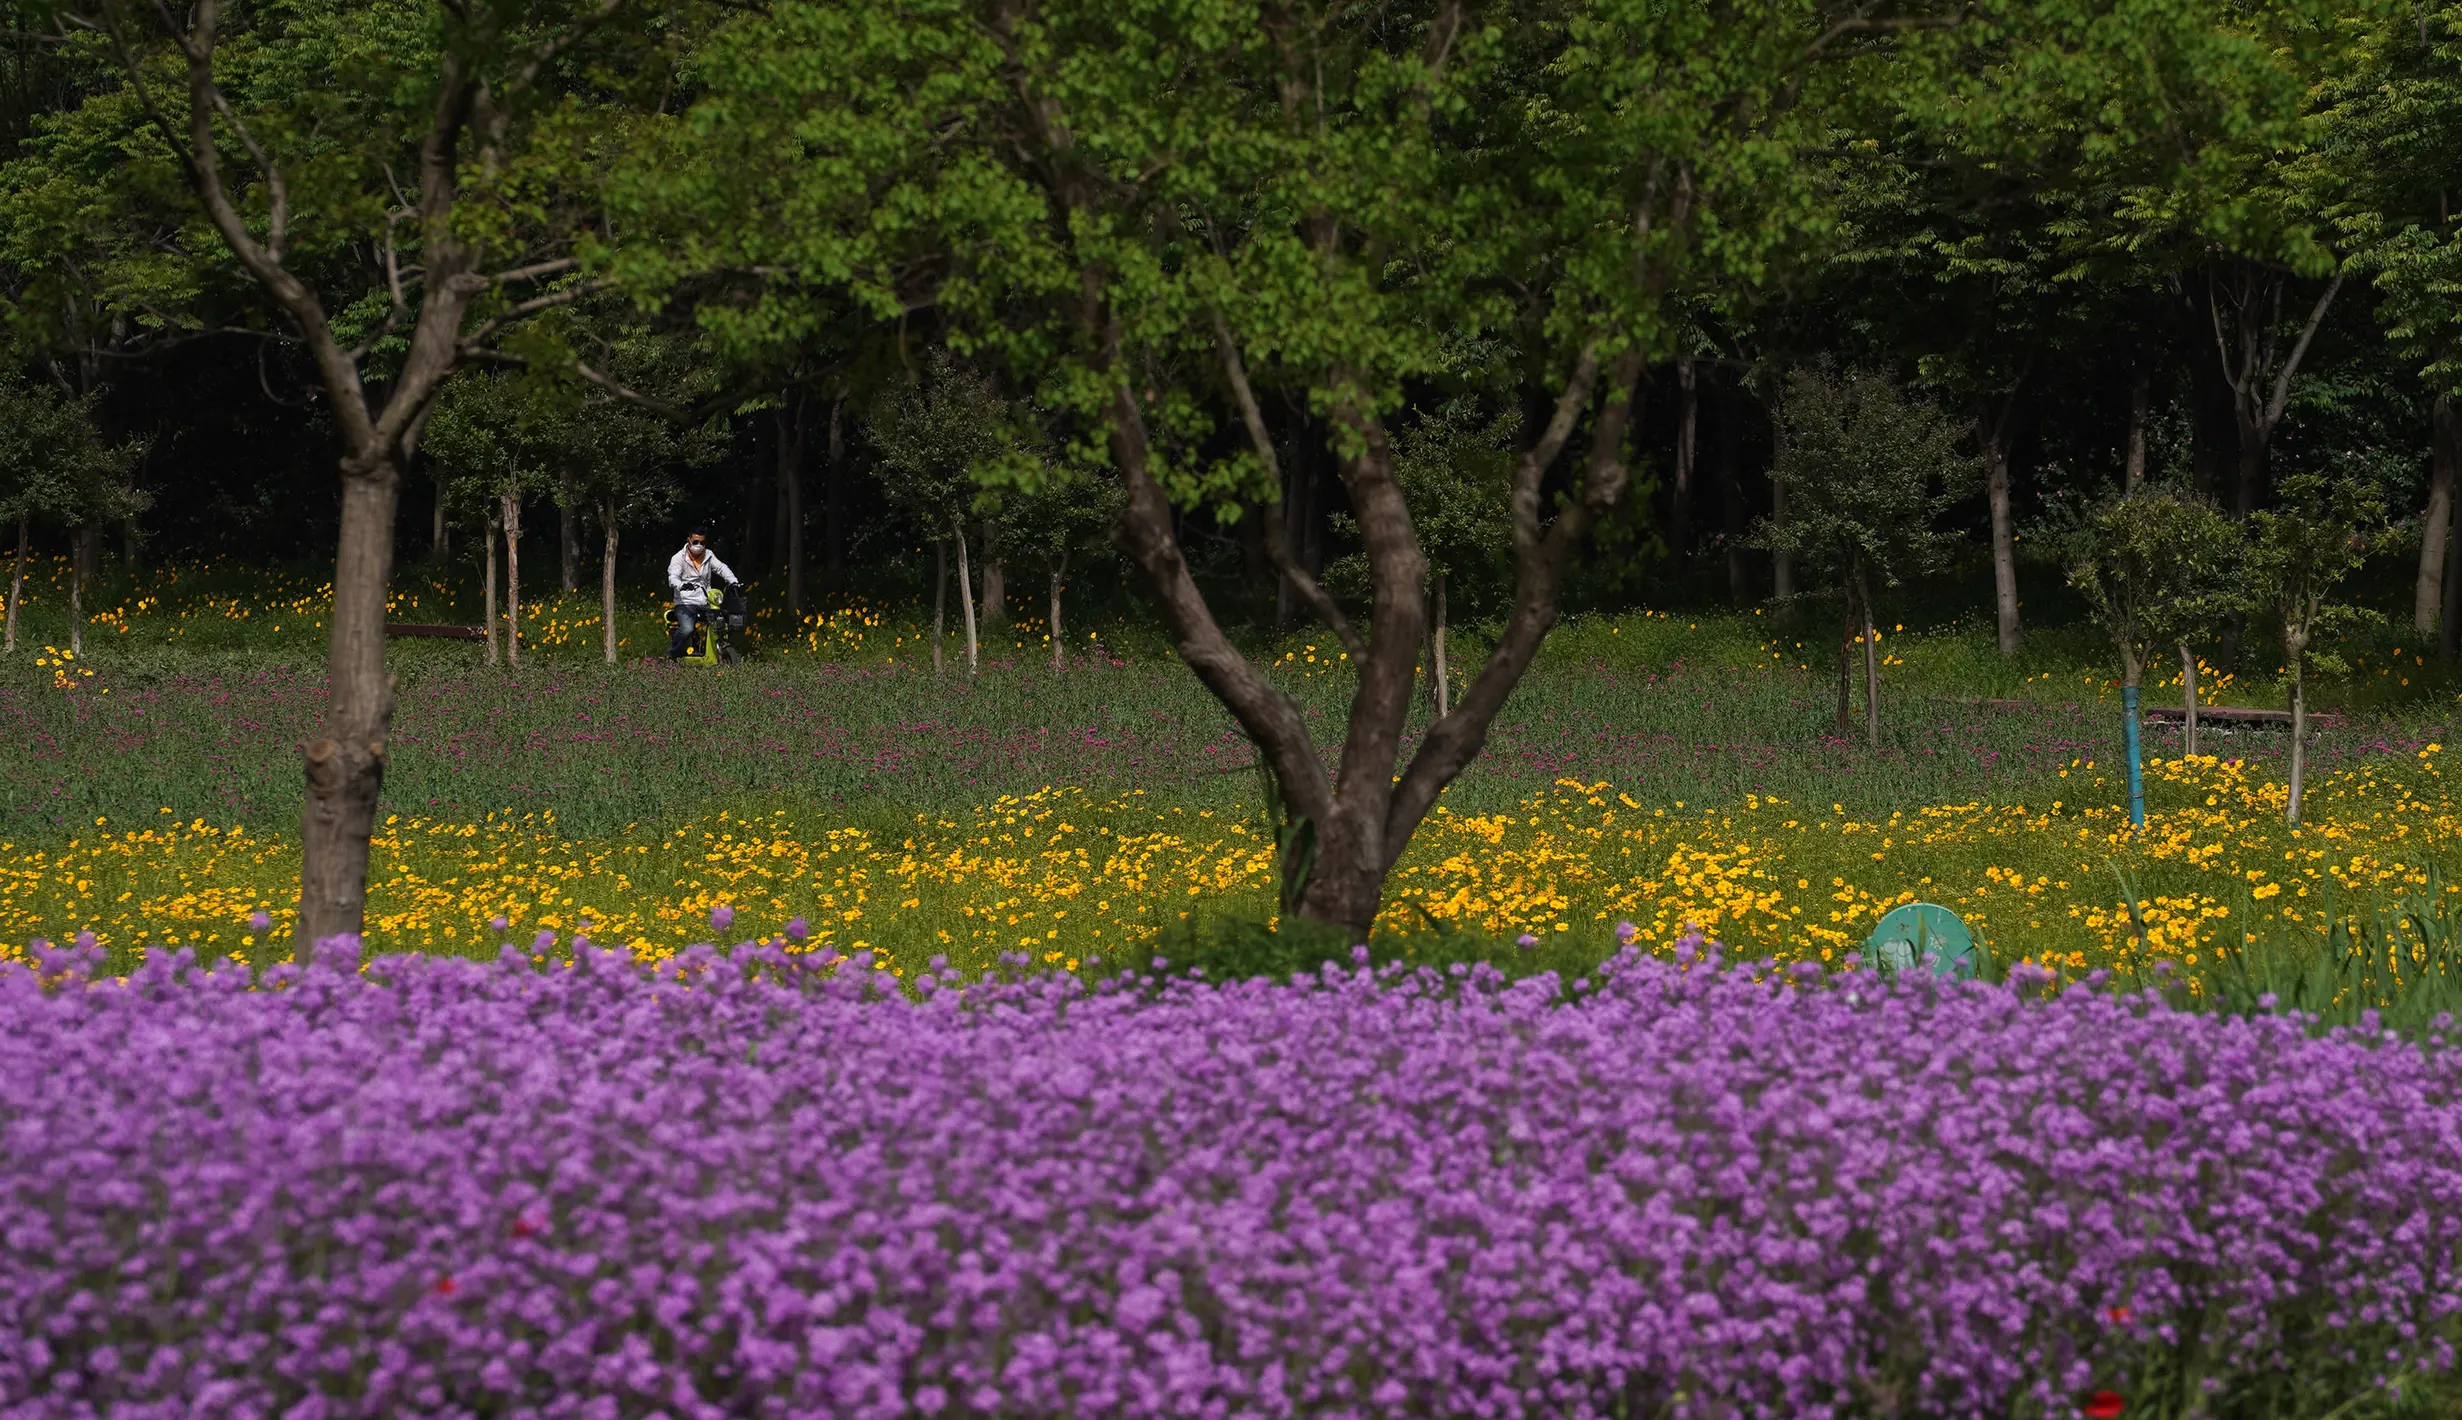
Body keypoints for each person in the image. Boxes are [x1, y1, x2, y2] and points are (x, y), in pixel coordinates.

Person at [666, 527, 739, 661]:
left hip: (705, 601)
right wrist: (681, 585)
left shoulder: (709, 555)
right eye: (695, 542)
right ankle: (673, 654)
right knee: (687, 629)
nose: (699, 546)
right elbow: (673, 577)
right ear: (689, 541)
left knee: (722, 623)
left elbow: (721, 568)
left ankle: (717, 651)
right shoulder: (678, 558)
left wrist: (733, 581)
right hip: (685, 602)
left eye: (702, 543)